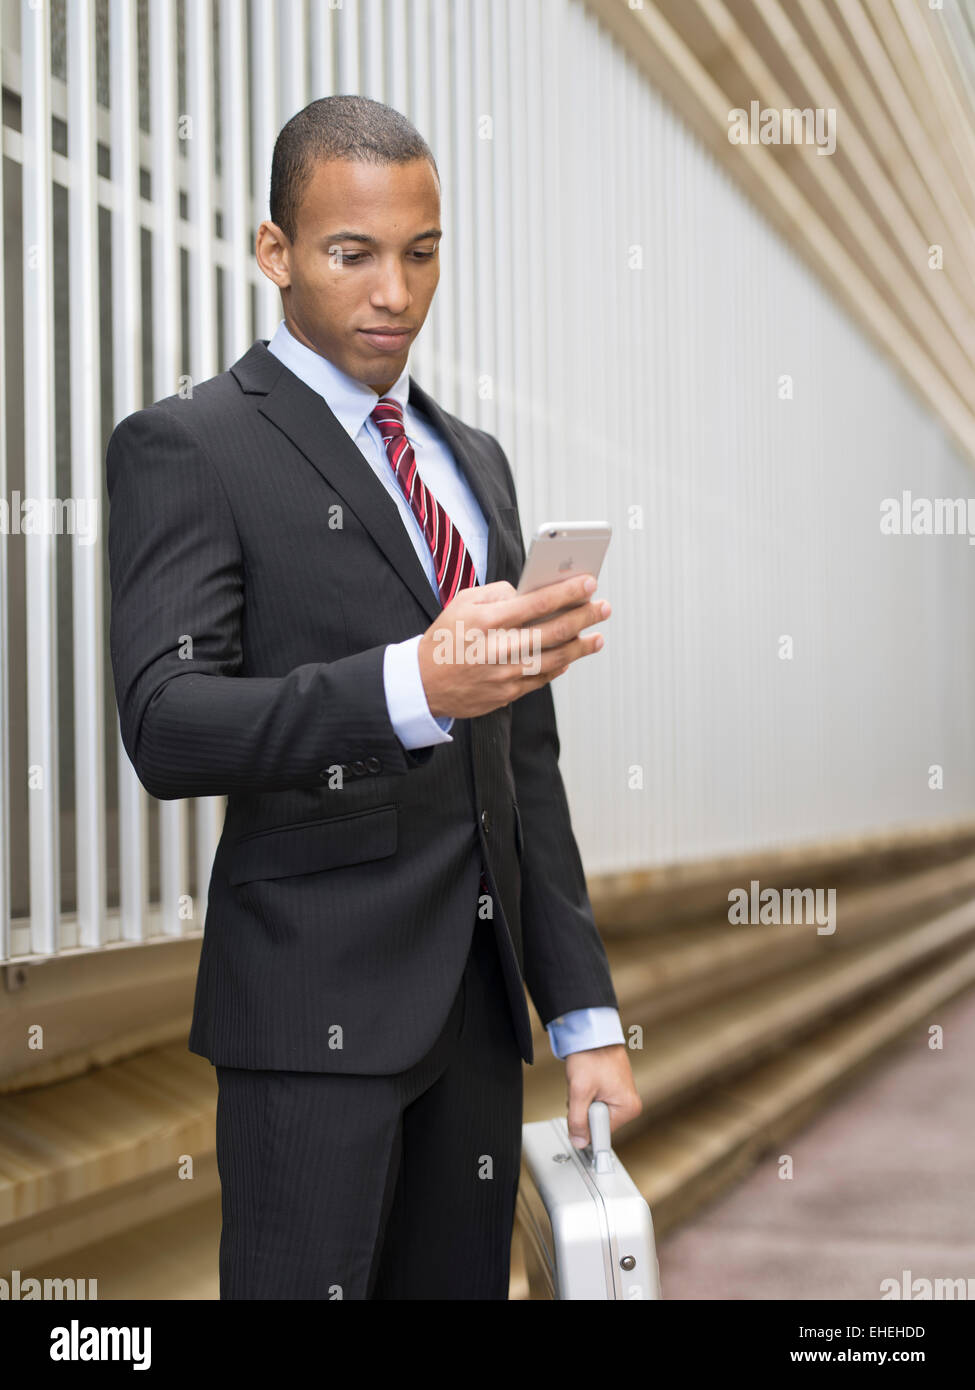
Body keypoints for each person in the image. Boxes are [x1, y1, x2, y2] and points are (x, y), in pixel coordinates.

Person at [106, 94, 641, 1300]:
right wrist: (413, 684)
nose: (394, 291)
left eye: (422, 251)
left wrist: (585, 1016)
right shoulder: (188, 446)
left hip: (477, 1017)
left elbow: (525, 767)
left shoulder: (477, 464)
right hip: (311, 1020)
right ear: (275, 252)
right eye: (352, 254)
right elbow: (166, 721)